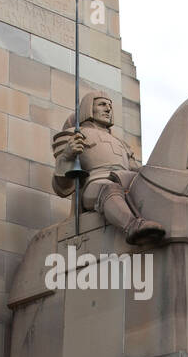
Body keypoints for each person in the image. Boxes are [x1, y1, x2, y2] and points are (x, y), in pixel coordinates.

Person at [52, 90, 165, 243]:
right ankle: (132, 226)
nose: (108, 109)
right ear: (88, 108)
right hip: (95, 185)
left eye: (110, 106)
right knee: (110, 189)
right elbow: (61, 187)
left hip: (126, 182)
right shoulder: (74, 134)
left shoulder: (121, 143)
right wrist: (67, 155)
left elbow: (136, 170)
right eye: (102, 104)